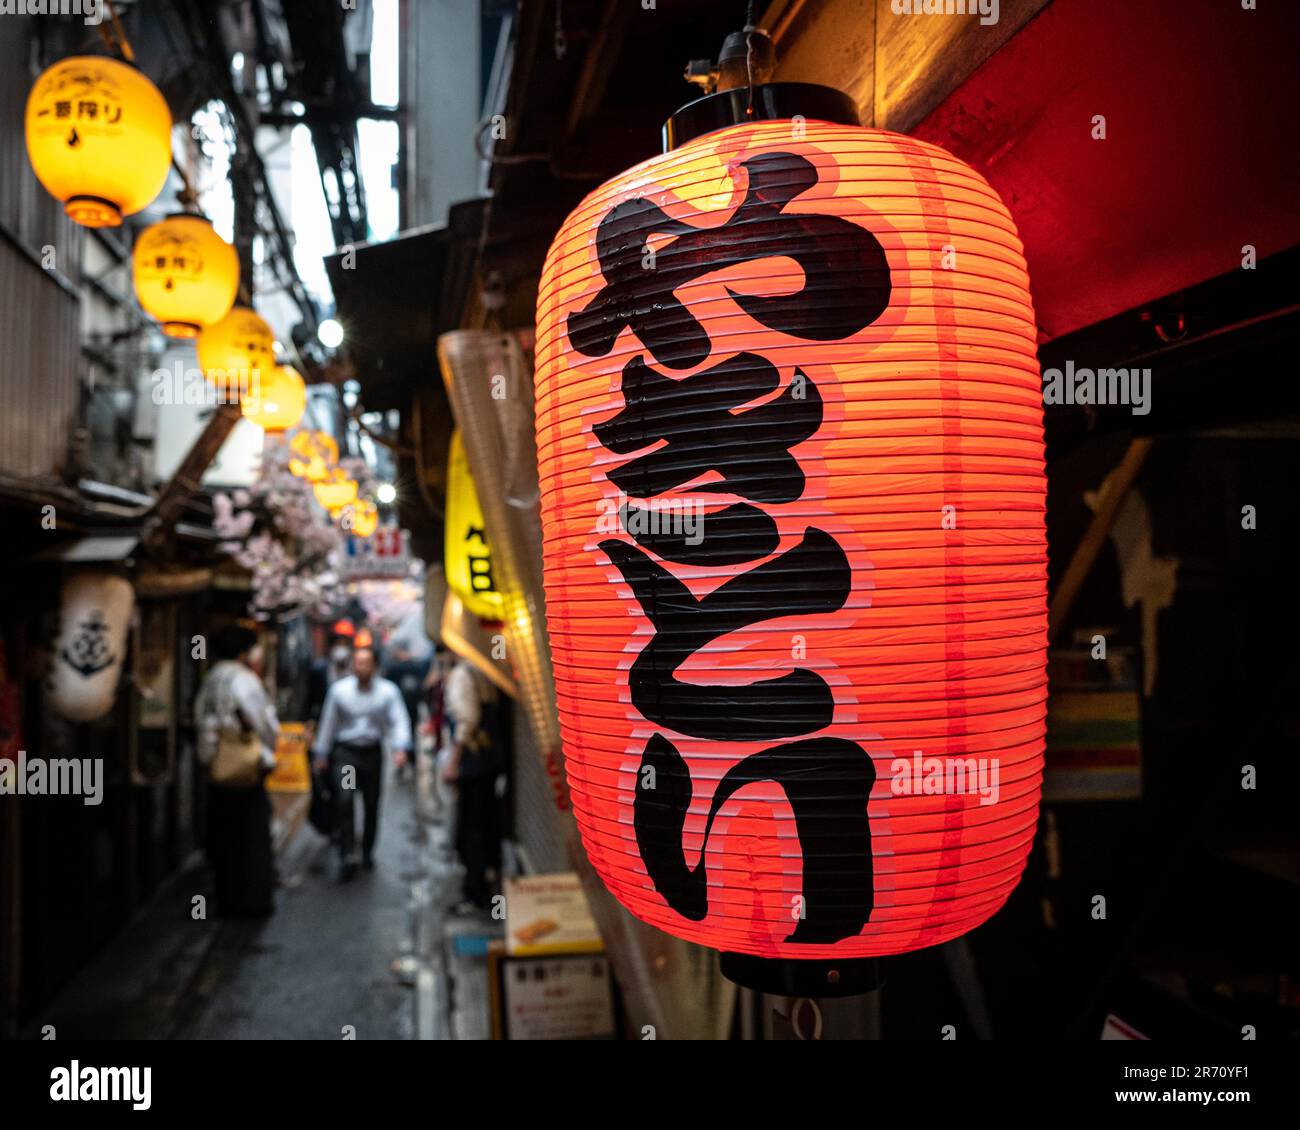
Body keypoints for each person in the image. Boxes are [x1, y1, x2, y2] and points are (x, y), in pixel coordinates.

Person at [194, 625, 279, 918]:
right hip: (244, 769)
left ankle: (227, 899)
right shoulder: (244, 680)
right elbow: (264, 724)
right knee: (250, 836)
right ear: (243, 652)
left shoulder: (211, 678)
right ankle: (250, 901)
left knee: (223, 838)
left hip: (217, 768)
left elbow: (201, 720)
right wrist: (269, 747)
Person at [312, 646, 412, 881]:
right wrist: (321, 753)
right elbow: (329, 723)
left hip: (371, 755)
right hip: (347, 756)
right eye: (357, 662)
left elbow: (399, 720)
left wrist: (401, 747)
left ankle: (367, 850)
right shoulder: (340, 691)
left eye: (366, 663)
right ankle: (347, 853)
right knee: (345, 799)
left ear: (374, 666)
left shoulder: (388, 692)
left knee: (371, 803)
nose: (361, 667)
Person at [441, 656, 505, 912]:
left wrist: (453, 761)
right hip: (488, 763)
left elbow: (467, 720)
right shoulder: (485, 670)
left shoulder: (463, 675)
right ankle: (485, 885)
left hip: (472, 763)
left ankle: (474, 892)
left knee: (471, 828)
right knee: (484, 824)